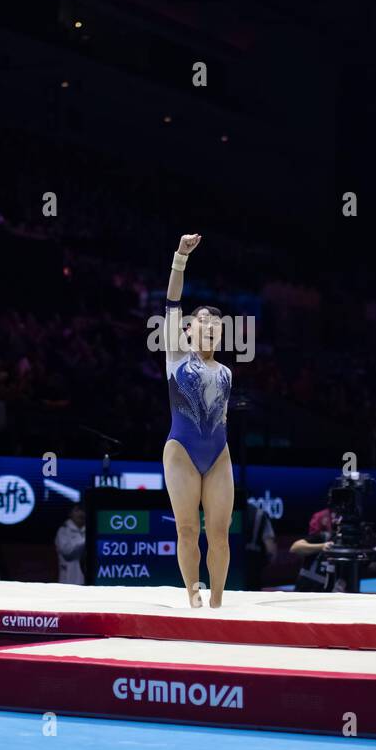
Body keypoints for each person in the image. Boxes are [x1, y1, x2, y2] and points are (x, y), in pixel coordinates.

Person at [161, 233, 233, 608]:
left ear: (221, 333)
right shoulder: (176, 354)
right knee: (188, 529)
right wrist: (180, 258)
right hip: (182, 452)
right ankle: (193, 594)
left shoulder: (225, 371)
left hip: (218, 453)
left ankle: (218, 601)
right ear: (188, 329)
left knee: (219, 533)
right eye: (201, 319)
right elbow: (173, 301)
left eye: (214, 322)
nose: (208, 324)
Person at [290, 507, 339, 592]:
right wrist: (321, 546)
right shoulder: (323, 537)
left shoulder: (349, 545)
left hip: (329, 596)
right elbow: (295, 547)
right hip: (306, 590)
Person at [54, 504, 86, 584]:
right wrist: (85, 542)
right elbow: (67, 552)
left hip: (85, 579)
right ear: (70, 514)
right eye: (77, 510)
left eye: (82, 510)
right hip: (68, 579)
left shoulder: (90, 530)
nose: (80, 513)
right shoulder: (63, 531)